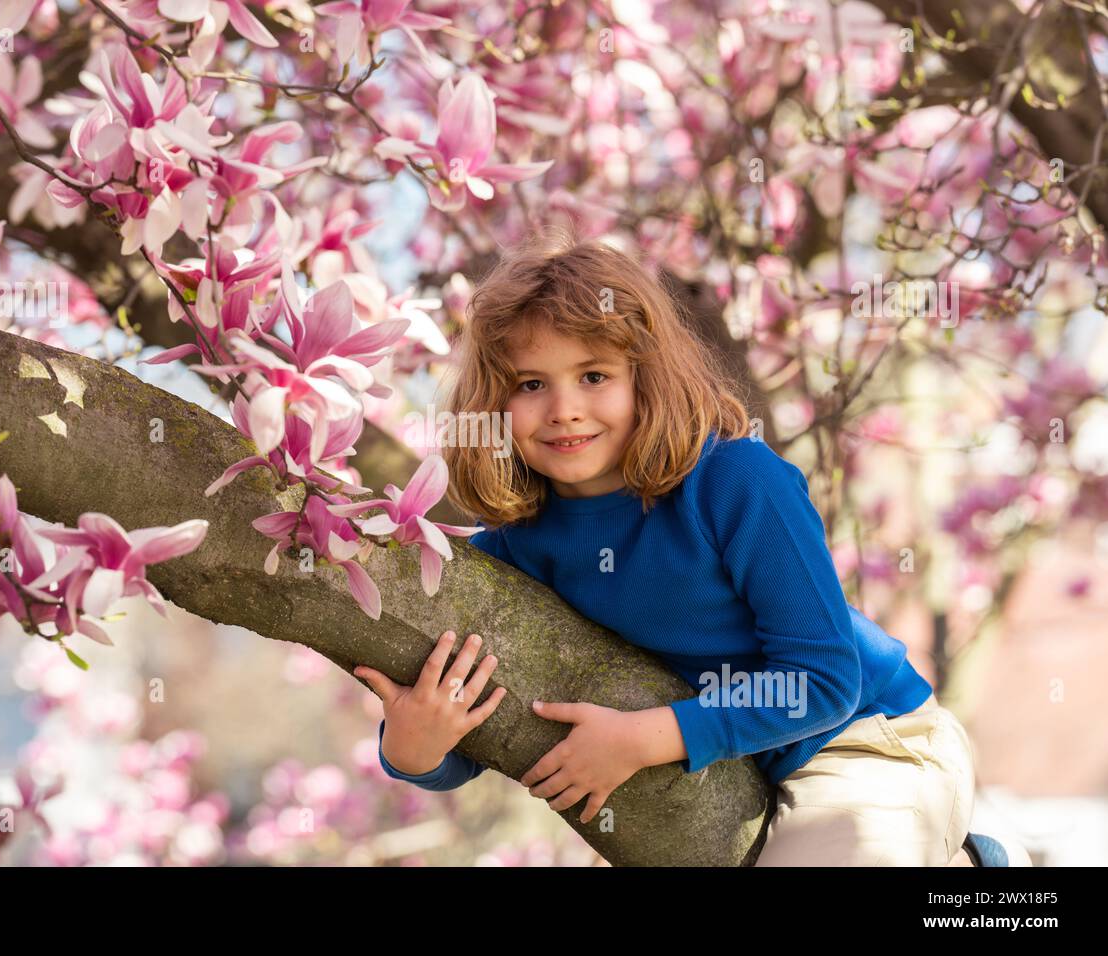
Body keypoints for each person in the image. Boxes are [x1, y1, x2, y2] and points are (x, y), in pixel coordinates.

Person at [354, 224, 1027, 866]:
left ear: (647, 378)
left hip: (866, 744)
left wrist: (649, 738)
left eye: (594, 376)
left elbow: (824, 678)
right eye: (531, 384)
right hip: (731, 775)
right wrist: (414, 750)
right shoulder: (517, 549)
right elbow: (485, 718)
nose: (563, 408)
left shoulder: (736, 480)